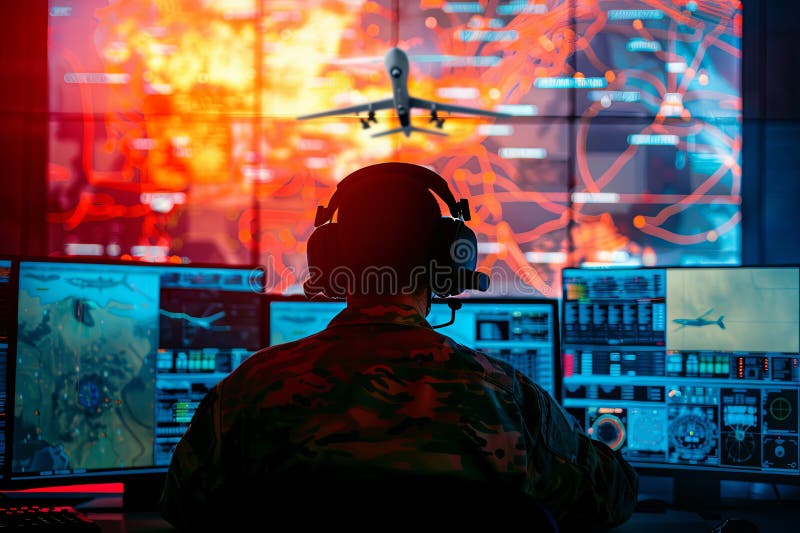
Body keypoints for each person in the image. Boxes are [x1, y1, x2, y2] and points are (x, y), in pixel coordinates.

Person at [159, 162, 638, 531]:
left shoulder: (251, 390)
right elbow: (612, 495)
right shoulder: (504, 397)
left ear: (328, 261)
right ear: (449, 262)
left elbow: (183, 506)